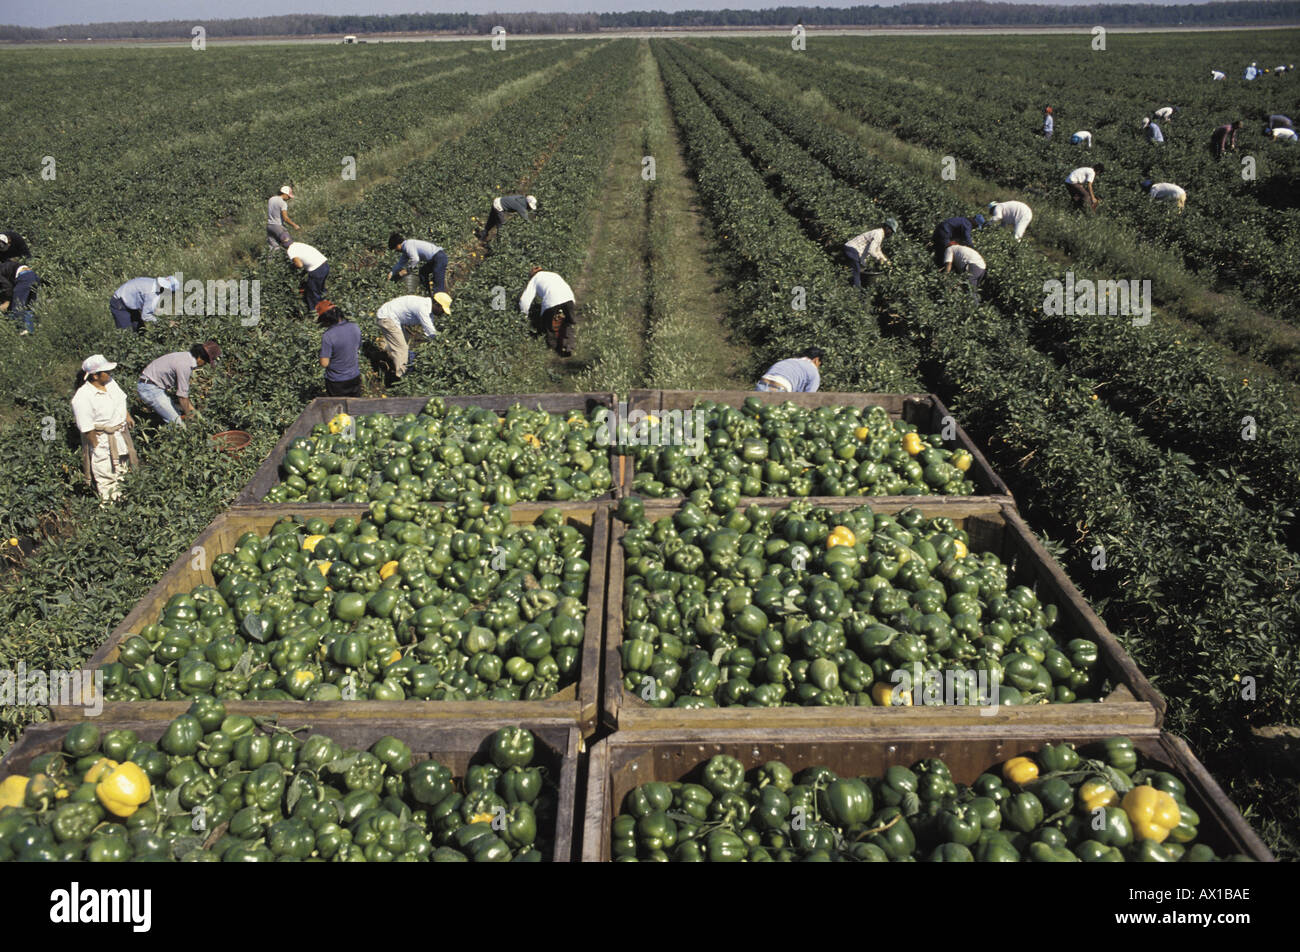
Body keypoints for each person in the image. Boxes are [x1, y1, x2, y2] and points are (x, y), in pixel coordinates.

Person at [71, 354, 137, 503]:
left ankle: (125, 505)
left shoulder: (110, 383)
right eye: (106, 371)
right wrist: (97, 446)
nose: (110, 374)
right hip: (102, 441)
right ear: (94, 376)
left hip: (119, 436)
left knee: (123, 472)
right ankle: (109, 511)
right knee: (106, 478)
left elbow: (120, 400)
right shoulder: (82, 397)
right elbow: (87, 428)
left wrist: (126, 416)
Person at [137, 341, 221, 425]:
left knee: (177, 414)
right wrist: (189, 415)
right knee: (176, 422)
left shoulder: (185, 357)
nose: (204, 365)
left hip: (150, 384)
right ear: (200, 357)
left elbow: (183, 394)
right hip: (150, 388)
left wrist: (193, 411)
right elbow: (182, 396)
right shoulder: (185, 365)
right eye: (205, 362)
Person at [375, 294, 443, 380]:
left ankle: (386, 350)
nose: (442, 313)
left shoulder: (429, 310)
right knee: (402, 348)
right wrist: (441, 342)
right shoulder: (423, 308)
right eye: (442, 310)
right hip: (387, 318)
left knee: (403, 341)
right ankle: (400, 378)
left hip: (392, 317)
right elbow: (431, 332)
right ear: (437, 304)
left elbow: (430, 329)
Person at [519, 266, 577, 357]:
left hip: (551, 301)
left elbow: (524, 300)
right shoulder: (553, 274)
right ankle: (568, 347)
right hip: (568, 298)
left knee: (550, 327)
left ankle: (553, 349)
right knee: (568, 323)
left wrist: (524, 315)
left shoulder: (534, 279)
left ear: (532, 275)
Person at [387, 232, 449, 307]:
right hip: (434, 259)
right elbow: (400, 264)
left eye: (395, 248)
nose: (396, 250)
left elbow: (415, 259)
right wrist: (391, 273)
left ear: (398, 245)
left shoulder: (408, 245)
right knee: (423, 272)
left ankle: (439, 306)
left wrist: (408, 270)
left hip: (439, 257)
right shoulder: (405, 250)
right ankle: (428, 296)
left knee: (438, 282)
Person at [315, 300, 362, 397]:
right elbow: (358, 347)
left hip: (337, 381)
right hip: (354, 377)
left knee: (338, 410)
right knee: (355, 407)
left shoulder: (328, 335)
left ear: (326, 319)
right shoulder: (355, 327)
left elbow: (324, 363)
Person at [110, 275, 180, 331]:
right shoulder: (152, 294)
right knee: (126, 334)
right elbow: (146, 316)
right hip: (119, 303)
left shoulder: (153, 282)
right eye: (172, 293)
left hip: (129, 301)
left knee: (140, 331)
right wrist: (166, 323)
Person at [843, 218, 897, 287]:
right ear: (887, 228)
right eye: (891, 231)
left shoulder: (880, 234)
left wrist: (886, 261)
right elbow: (871, 251)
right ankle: (856, 291)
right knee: (857, 271)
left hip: (853, 250)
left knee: (858, 270)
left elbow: (878, 250)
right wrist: (879, 259)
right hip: (851, 249)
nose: (891, 234)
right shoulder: (878, 234)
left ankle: (853, 285)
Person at [286, 239, 329, 314]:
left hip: (316, 270)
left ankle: (316, 312)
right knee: (321, 288)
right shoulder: (297, 244)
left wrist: (293, 266)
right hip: (324, 264)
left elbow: (299, 265)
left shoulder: (290, 251)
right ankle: (327, 303)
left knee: (312, 293)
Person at [756, 348, 823, 393]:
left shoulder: (790, 360)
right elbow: (810, 396)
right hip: (780, 387)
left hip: (762, 383)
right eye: (820, 364)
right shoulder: (813, 370)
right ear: (816, 360)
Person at [0, 260, 39, 335]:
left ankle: (23, 331)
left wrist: (7, 302)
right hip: (32, 276)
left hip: (24, 277)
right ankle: (30, 332)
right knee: (28, 308)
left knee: (18, 307)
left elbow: (8, 287)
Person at [266, 186, 300, 250]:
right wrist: (295, 225)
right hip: (278, 227)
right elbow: (285, 218)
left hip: (269, 226)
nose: (289, 198)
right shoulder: (283, 203)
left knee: (274, 248)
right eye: (288, 196)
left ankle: (272, 259)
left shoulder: (271, 199)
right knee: (289, 246)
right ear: (284, 193)